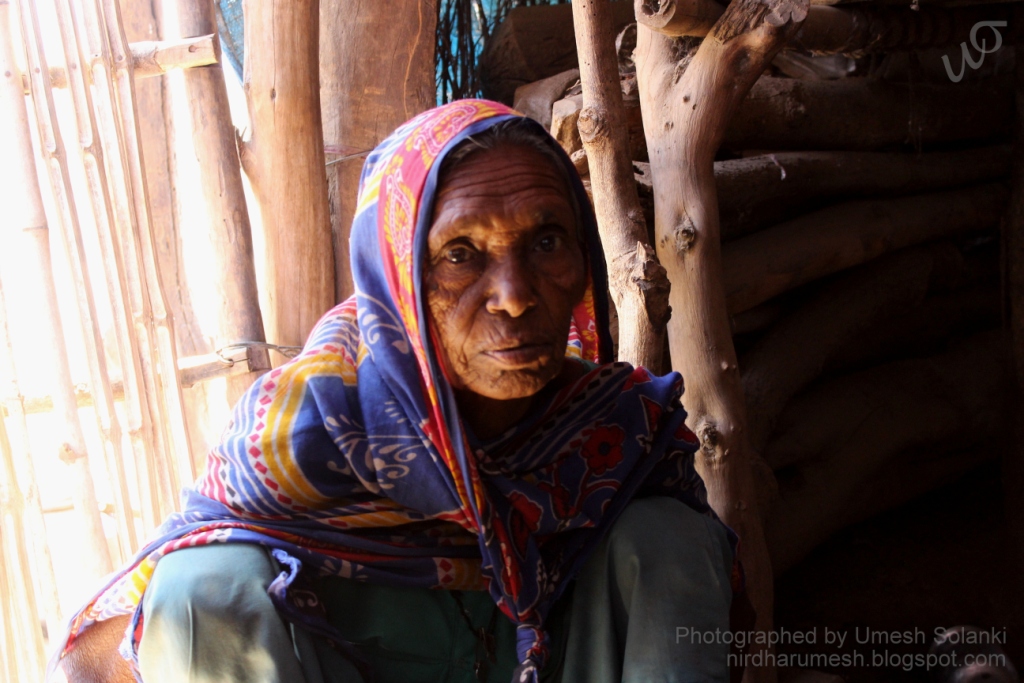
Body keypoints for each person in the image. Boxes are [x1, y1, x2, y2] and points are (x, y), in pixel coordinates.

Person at [52, 100, 746, 683]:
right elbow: (123, 644)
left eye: (546, 241)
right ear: (397, 279)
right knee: (205, 587)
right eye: (459, 254)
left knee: (670, 537)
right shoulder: (306, 431)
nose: (512, 296)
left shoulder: (611, 428)